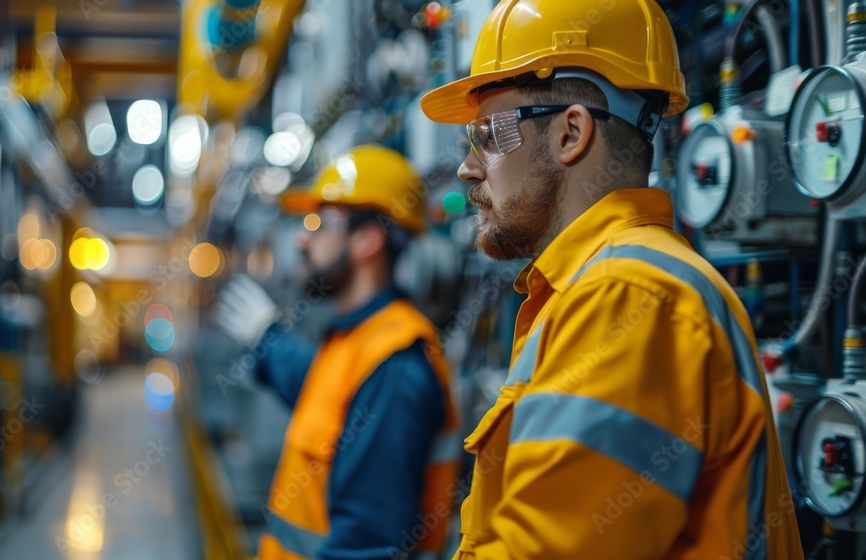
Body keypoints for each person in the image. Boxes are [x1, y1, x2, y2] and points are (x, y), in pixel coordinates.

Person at [419, 0, 803, 558]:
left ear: (571, 134)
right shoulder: (600, 288)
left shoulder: (627, 295)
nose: (468, 168)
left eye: (490, 135)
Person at [214, 145, 459, 560]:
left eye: (319, 223)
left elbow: (366, 546)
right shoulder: (354, 339)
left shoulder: (394, 365)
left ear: (367, 240)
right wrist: (266, 337)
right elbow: (316, 390)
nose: (300, 238)